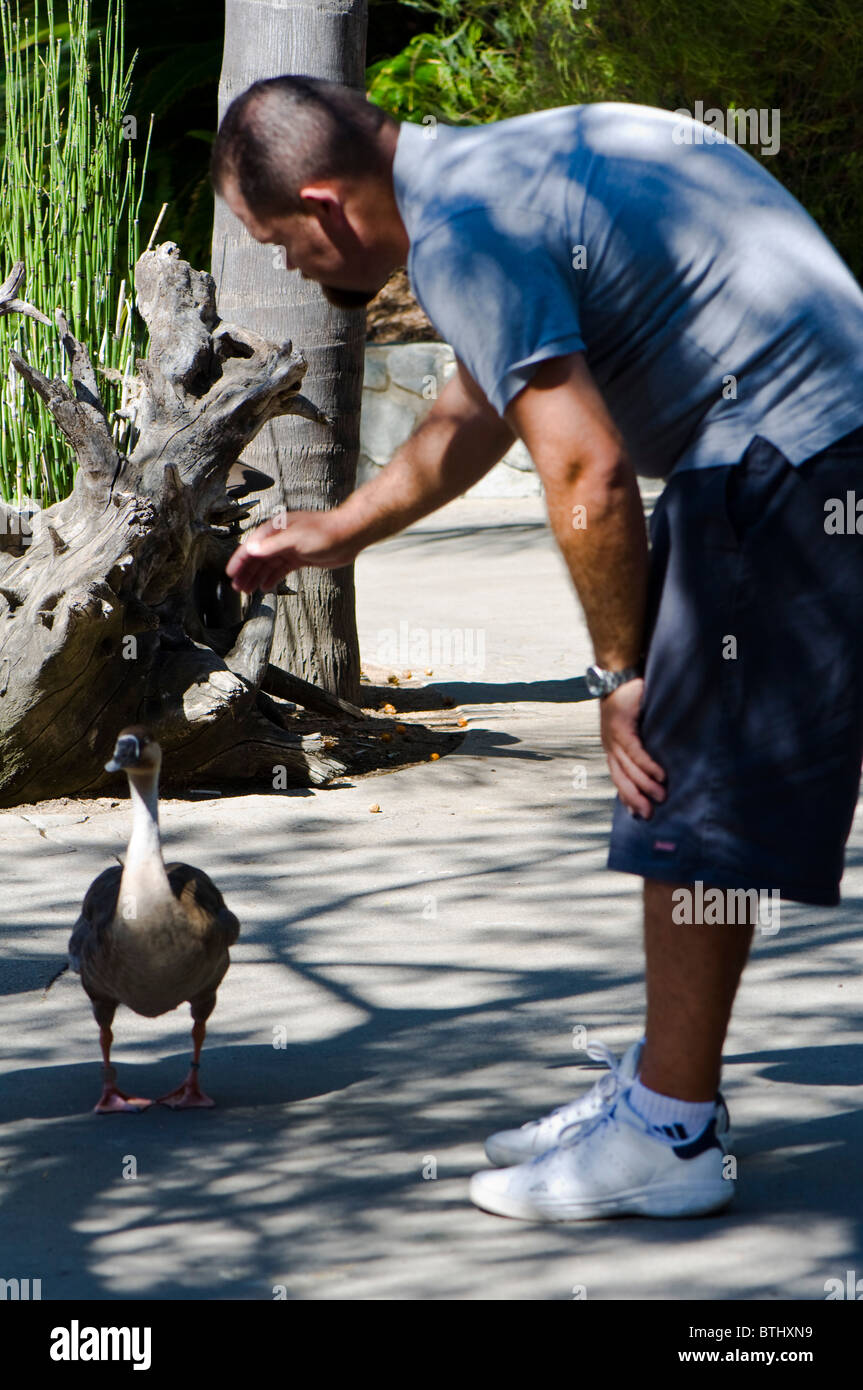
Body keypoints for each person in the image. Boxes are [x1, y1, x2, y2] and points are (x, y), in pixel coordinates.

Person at [211, 76, 863, 1221]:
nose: (296, 271)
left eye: (284, 245)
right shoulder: (496, 174)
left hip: (792, 455)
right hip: (808, 436)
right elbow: (477, 411)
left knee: (680, 778)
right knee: (695, 785)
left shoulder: (464, 231)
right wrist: (333, 530)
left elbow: (583, 470)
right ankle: (669, 1090)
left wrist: (618, 676)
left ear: (328, 204)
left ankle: (669, 1128)